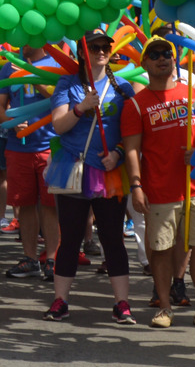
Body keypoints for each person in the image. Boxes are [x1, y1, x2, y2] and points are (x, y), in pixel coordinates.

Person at [121, 37, 195, 329]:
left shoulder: (194, 94)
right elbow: (132, 149)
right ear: (144, 64)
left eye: (167, 53)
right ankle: (164, 307)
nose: (162, 58)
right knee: (161, 250)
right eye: (154, 54)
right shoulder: (135, 104)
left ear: (175, 59)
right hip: (159, 190)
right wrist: (136, 186)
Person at [45, 29, 139, 324]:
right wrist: (81, 108)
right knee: (70, 237)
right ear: (82, 53)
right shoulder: (67, 84)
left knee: (113, 237)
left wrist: (119, 155)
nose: (100, 51)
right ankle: (61, 300)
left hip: (109, 172)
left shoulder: (123, 88)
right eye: (94, 47)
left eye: (105, 47)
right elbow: (59, 125)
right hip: (73, 168)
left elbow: (134, 134)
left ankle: (122, 304)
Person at [0, 44, 59, 281]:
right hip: (18, 147)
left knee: (51, 206)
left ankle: (52, 259)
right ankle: (30, 259)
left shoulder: (56, 64)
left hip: (50, 146)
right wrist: (10, 122)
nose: (24, 39)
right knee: (25, 206)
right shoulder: (7, 67)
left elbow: (58, 98)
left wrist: (31, 73)